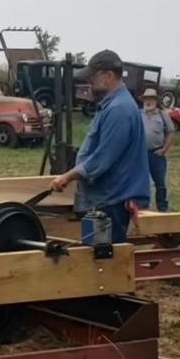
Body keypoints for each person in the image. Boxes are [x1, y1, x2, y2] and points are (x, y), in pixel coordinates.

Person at [49, 50, 150, 243]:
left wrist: (68, 176)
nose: (89, 82)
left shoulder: (118, 110)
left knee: (106, 264)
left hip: (113, 201)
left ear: (109, 75)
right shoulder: (110, 105)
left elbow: (102, 159)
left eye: (92, 77)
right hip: (106, 199)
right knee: (99, 260)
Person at [140, 88, 175, 212]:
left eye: (151, 99)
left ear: (156, 101)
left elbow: (170, 132)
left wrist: (164, 149)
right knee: (141, 182)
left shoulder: (162, 114)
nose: (148, 101)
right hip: (140, 155)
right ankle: (143, 208)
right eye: (146, 99)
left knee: (160, 183)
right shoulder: (138, 114)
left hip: (157, 153)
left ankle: (162, 207)